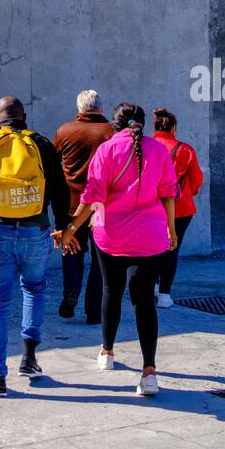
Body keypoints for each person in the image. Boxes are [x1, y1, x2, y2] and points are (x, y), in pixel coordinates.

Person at [62, 102, 178, 397]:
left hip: (110, 235)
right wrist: (172, 230)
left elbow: (92, 198)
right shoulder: (159, 150)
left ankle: (107, 352)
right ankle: (149, 372)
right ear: (142, 124)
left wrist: (70, 229)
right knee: (143, 302)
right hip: (150, 238)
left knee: (111, 291)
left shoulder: (106, 151)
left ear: (114, 126)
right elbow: (167, 195)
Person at [0, 95, 70, 398]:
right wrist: (62, 226)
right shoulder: (42, 143)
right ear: (25, 117)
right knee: (34, 288)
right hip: (35, 229)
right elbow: (60, 188)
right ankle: (29, 359)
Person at [52, 90, 114, 322]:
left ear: (79, 110)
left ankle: (71, 294)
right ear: (101, 109)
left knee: (71, 250)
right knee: (100, 259)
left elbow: (52, 164)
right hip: (100, 208)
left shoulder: (64, 131)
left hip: (71, 206)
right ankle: (94, 309)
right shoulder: (111, 132)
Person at [151, 107, 204, 307]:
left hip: (152, 206)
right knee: (172, 248)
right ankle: (165, 295)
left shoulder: (147, 146)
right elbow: (197, 181)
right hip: (181, 207)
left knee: (152, 247)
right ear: (174, 127)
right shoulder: (186, 149)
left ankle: (153, 285)